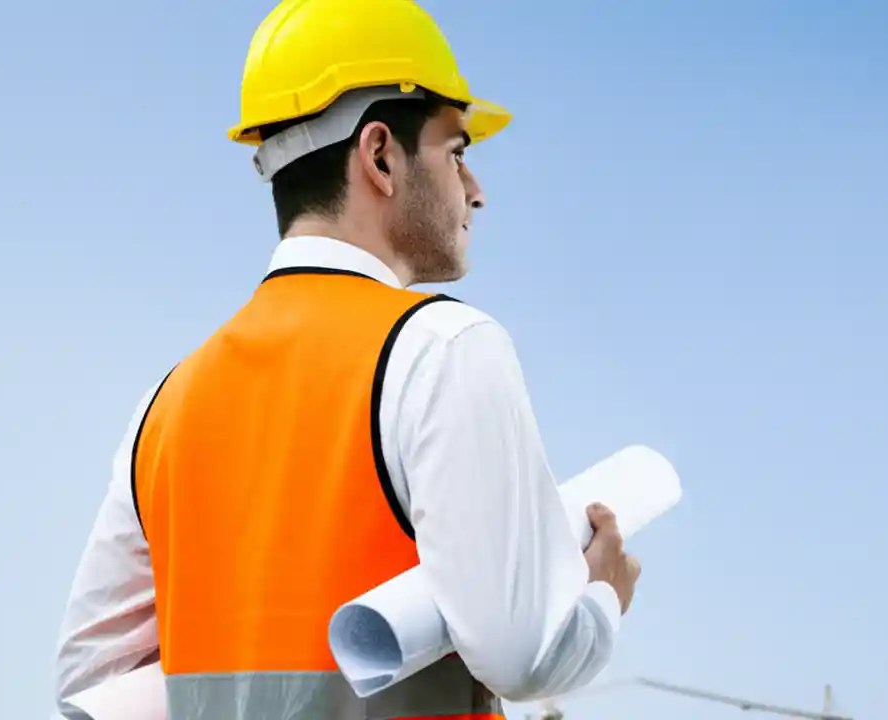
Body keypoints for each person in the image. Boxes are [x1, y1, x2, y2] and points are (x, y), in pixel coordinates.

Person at [50, 1, 642, 718]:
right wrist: (601, 594)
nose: (476, 192)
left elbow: (89, 685)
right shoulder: (445, 350)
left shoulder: (165, 406)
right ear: (381, 155)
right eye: (457, 152)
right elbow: (522, 654)